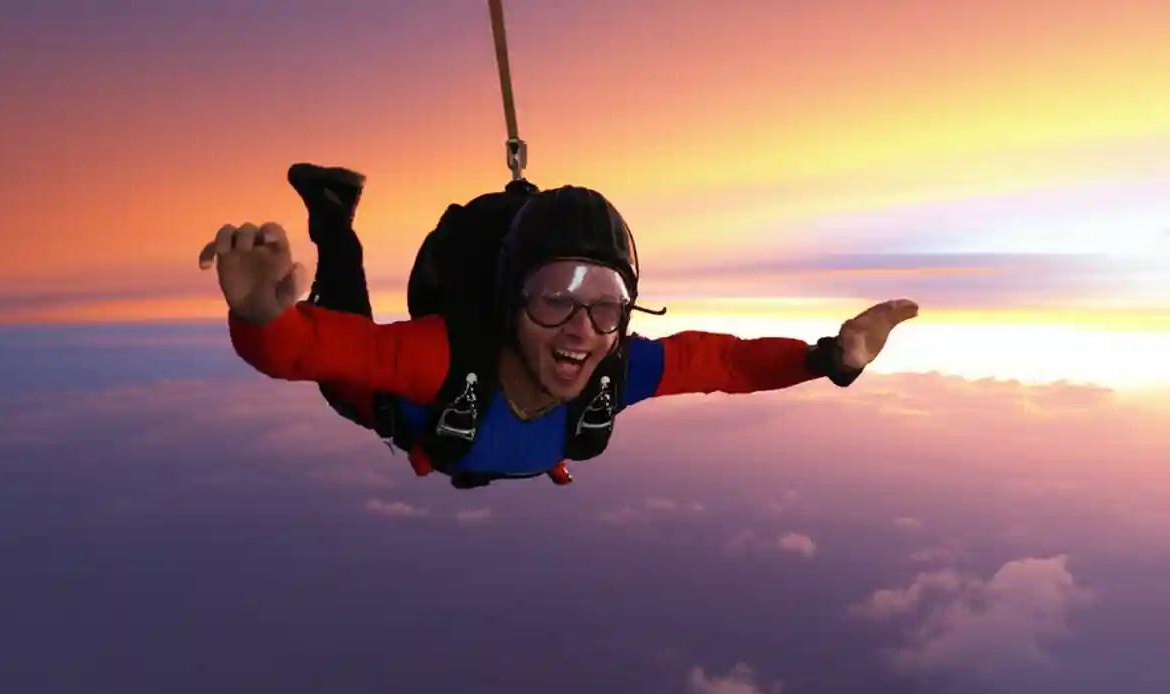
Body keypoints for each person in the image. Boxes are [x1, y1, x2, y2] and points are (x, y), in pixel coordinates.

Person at [198, 164, 919, 488]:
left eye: (606, 305)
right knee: (341, 365)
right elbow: (312, 350)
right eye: (553, 299)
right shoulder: (437, 357)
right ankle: (332, 214)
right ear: (511, 302)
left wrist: (830, 358)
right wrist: (265, 319)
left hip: (470, 442)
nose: (581, 331)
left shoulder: (615, 370)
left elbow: (723, 364)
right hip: (391, 403)